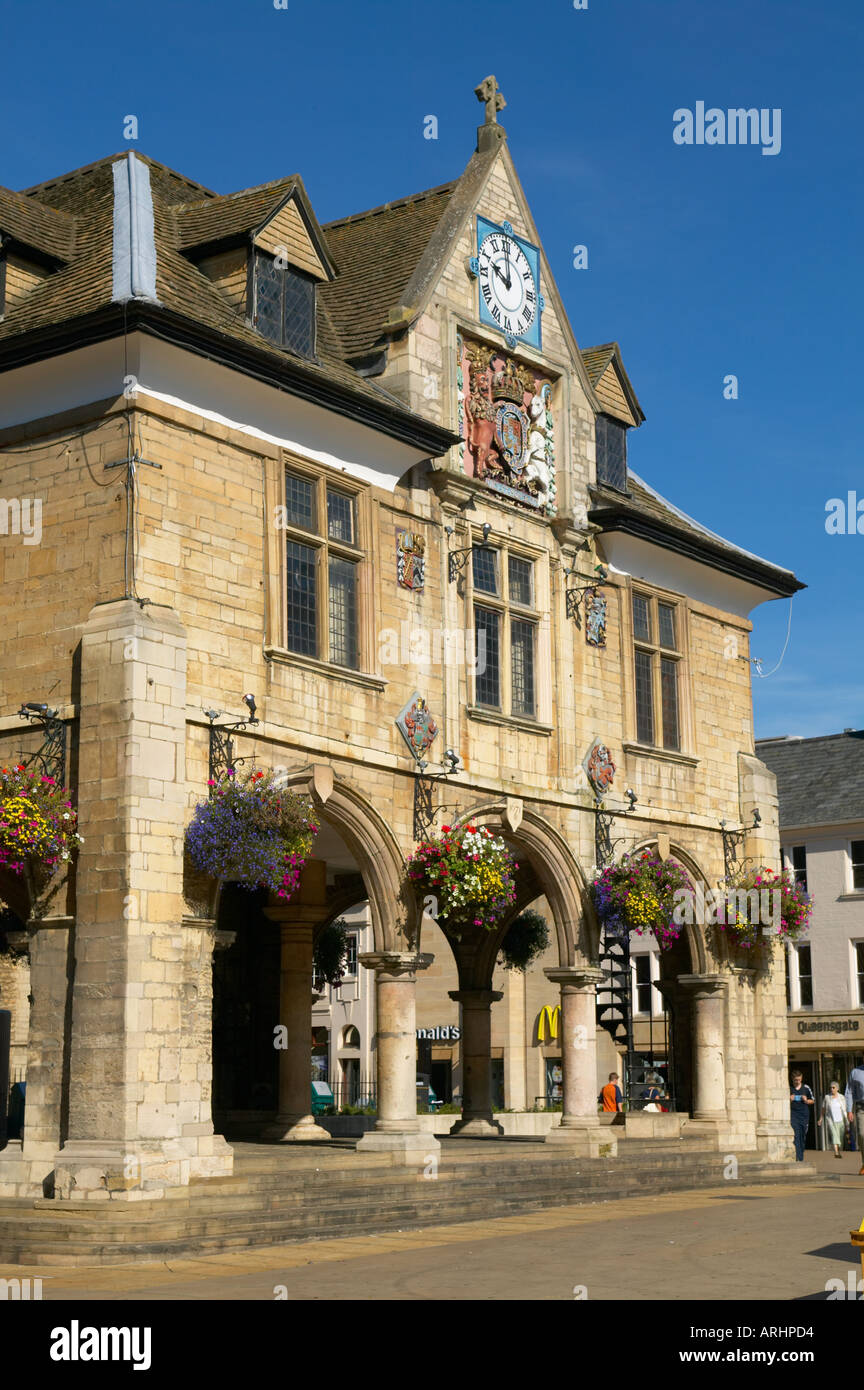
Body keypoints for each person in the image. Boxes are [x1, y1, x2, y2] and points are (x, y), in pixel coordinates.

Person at [818, 1081, 848, 1158]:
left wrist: (847, 1119)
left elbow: (845, 1109)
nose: (832, 1089)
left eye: (833, 1087)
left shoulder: (841, 1097)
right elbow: (823, 1109)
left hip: (841, 1121)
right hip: (831, 1121)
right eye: (831, 1087)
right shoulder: (827, 1097)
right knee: (835, 1136)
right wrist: (821, 1119)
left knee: (840, 1138)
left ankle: (839, 1151)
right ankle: (836, 1153)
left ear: (837, 1088)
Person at [789, 1070, 815, 1161]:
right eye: (796, 1080)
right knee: (796, 1135)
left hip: (804, 1116)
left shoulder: (806, 1088)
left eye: (799, 1080)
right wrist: (790, 1100)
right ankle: (798, 1158)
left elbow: (813, 1100)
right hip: (793, 1115)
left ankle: (801, 1155)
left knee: (802, 1136)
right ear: (792, 1079)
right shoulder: (789, 1088)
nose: (797, 1082)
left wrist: (806, 1100)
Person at [844, 1062, 864, 1175]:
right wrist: (849, 1110)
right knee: (862, 1134)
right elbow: (849, 1091)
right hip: (861, 1107)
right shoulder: (855, 1072)